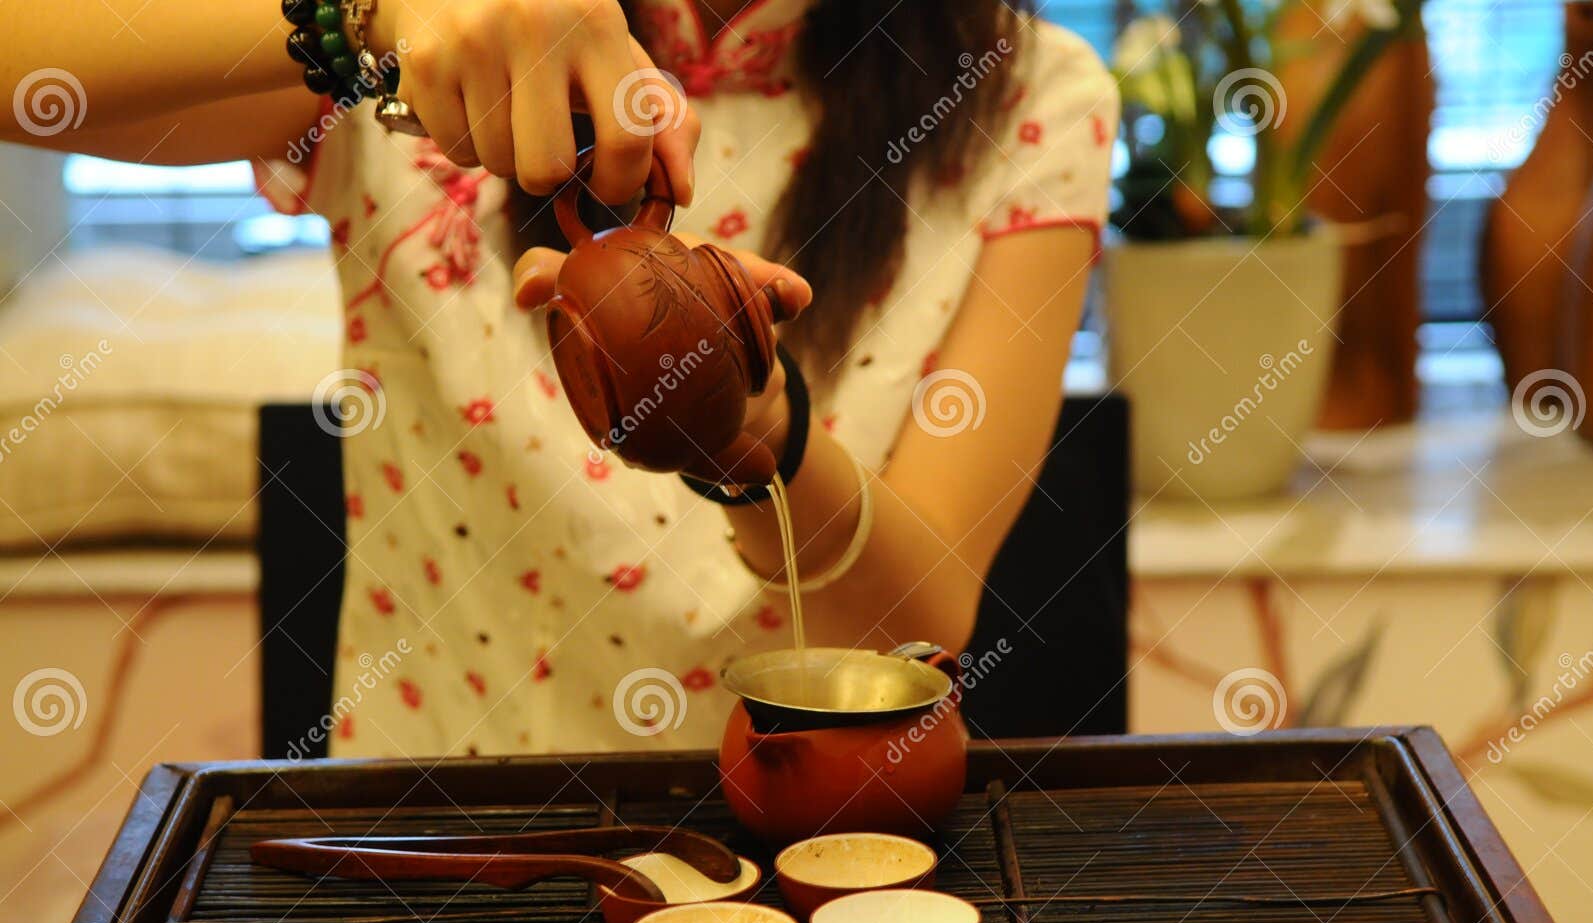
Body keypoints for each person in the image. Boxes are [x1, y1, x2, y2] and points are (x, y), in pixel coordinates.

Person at [2, 0, 1116, 756]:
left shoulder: (1026, 95)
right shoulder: (436, 37)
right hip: (436, 841)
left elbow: (914, 621)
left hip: (784, 856)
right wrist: (377, 11)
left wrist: (754, 430)